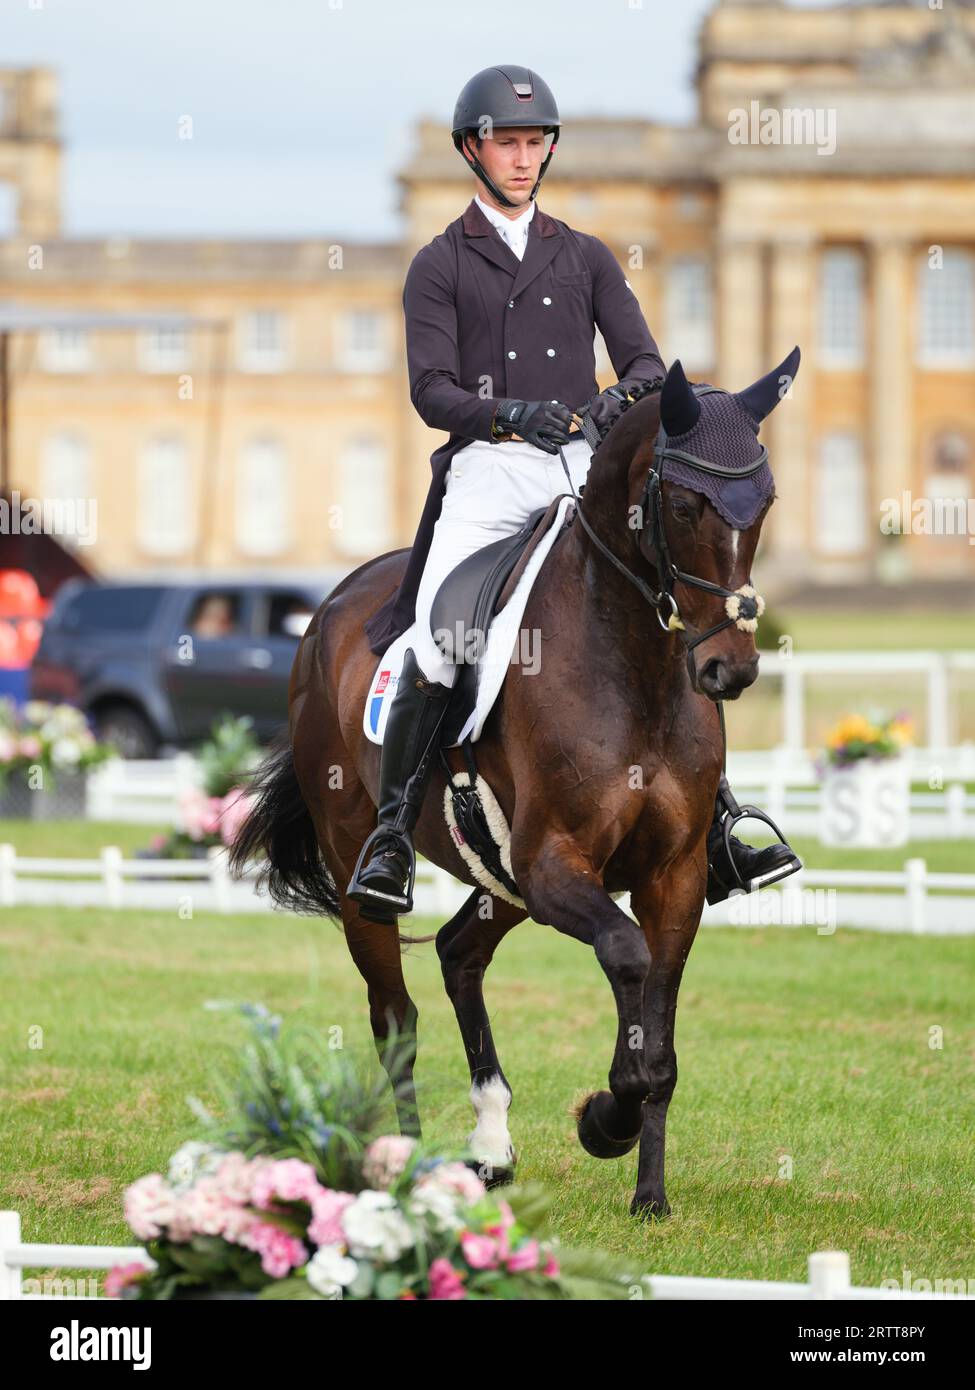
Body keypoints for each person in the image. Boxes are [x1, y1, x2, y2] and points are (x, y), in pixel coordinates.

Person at [348, 64, 800, 923]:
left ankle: (721, 820)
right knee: (441, 639)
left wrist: (615, 402)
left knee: (659, 614)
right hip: (488, 471)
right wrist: (509, 411)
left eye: (534, 143)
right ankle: (393, 835)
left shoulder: (585, 254)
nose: (522, 158)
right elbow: (431, 391)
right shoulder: (438, 263)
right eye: (507, 142)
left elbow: (641, 361)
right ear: (472, 149)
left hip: (578, 470)